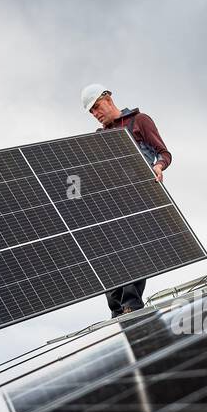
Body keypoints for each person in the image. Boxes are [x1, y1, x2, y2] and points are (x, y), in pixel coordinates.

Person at [81, 83, 172, 316]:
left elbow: (163, 153)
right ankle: (116, 310)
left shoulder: (139, 121)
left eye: (97, 107)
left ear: (109, 99)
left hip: (137, 199)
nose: (95, 114)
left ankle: (132, 305)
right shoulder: (99, 137)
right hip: (110, 204)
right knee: (108, 254)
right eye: (91, 112)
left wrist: (158, 167)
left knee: (133, 250)